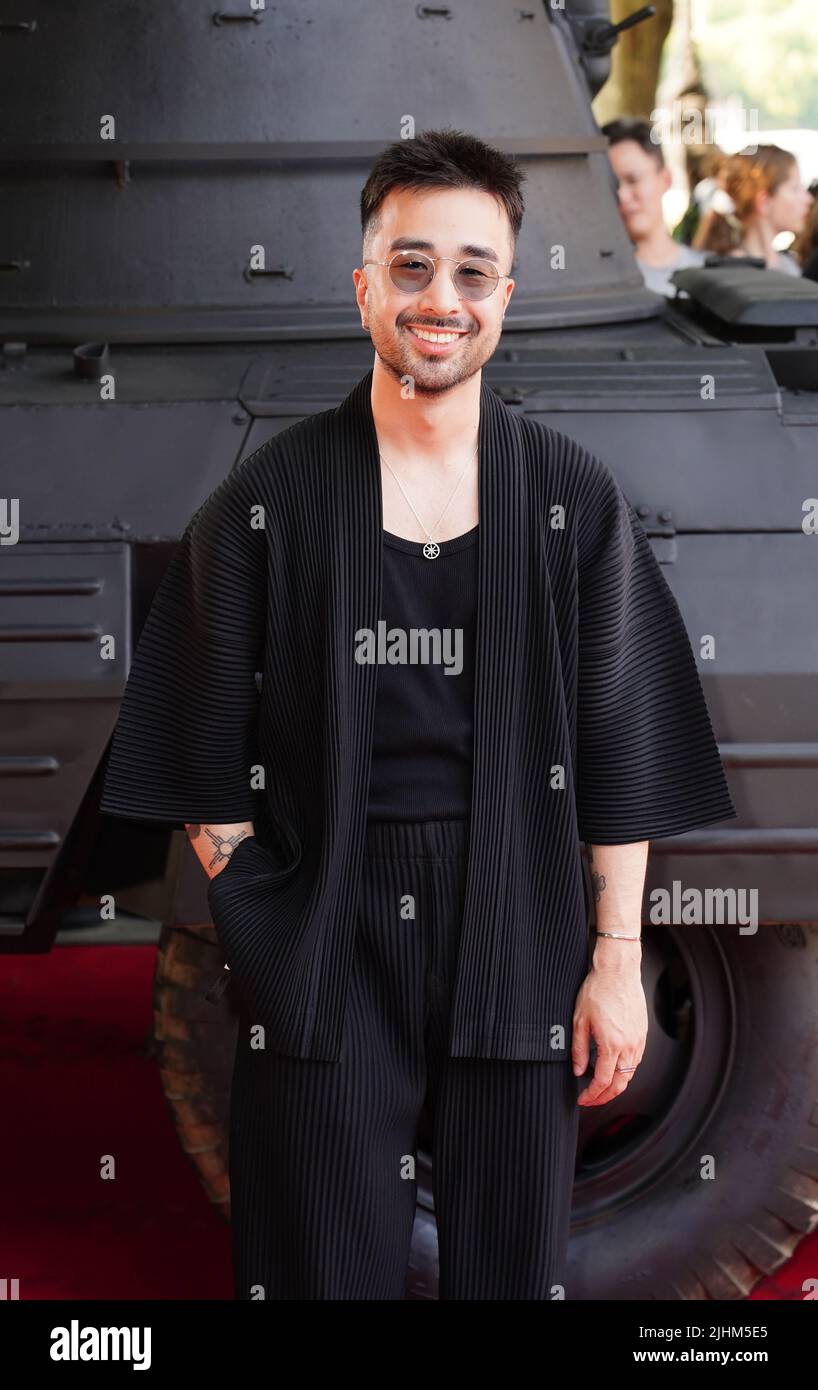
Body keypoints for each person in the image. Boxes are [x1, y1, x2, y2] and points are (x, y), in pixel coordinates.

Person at [99, 128, 737, 1300]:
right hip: (324, 919)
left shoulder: (568, 499)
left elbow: (620, 741)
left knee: (506, 1269)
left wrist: (612, 959)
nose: (438, 298)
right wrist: (256, 907)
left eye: (470, 270)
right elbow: (195, 739)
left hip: (520, 911)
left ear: (505, 294)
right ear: (363, 287)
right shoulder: (269, 501)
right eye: (409, 265)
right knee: (317, 1269)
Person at [602, 117, 707, 296]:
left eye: (633, 179)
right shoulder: (599, 282)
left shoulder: (709, 275)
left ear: (665, 180)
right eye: (610, 184)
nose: (622, 195)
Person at [693, 144, 811, 275]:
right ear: (764, 202)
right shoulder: (732, 271)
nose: (808, 199)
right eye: (795, 189)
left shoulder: (788, 266)